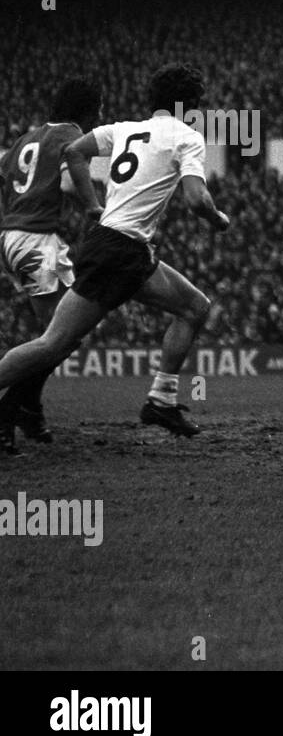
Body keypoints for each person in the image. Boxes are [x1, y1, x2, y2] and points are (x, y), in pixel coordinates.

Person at [0, 63, 230, 437]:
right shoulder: (187, 137)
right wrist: (218, 219)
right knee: (54, 342)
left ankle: (161, 401)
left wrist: (95, 206)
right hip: (118, 253)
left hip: (120, 248)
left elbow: (74, 150)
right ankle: (15, 408)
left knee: (194, 307)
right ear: (189, 104)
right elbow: (196, 199)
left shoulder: (123, 129)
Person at [0, 78, 105, 452]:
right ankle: (12, 408)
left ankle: (26, 408)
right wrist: (96, 209)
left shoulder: (25, 138)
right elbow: (66, 185)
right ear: (87, 111)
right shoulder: (73, 137)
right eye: (100, 109)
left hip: (12, 237)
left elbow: (5, 175)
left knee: (58, 335)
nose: (101, 117)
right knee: (60, 338)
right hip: (36, 240)